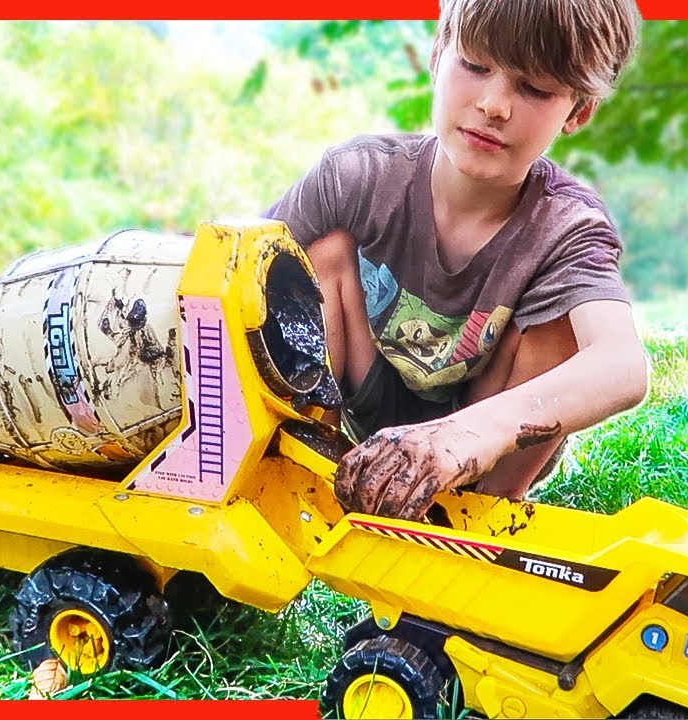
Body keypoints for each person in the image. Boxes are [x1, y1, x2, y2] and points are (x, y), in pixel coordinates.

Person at [267, 0, 650, 521]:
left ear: (577, 112)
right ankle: (305, 492)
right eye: (475, 65)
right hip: (357, 397)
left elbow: (622, 366)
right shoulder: (356, 176)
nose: (494, 105)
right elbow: (237, 270)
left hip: (488, 436)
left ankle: (477, 520)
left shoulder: (568, 228)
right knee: (307, 256)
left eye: (534, 89)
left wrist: (466, 436)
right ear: (438, 53)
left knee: (561, 323)